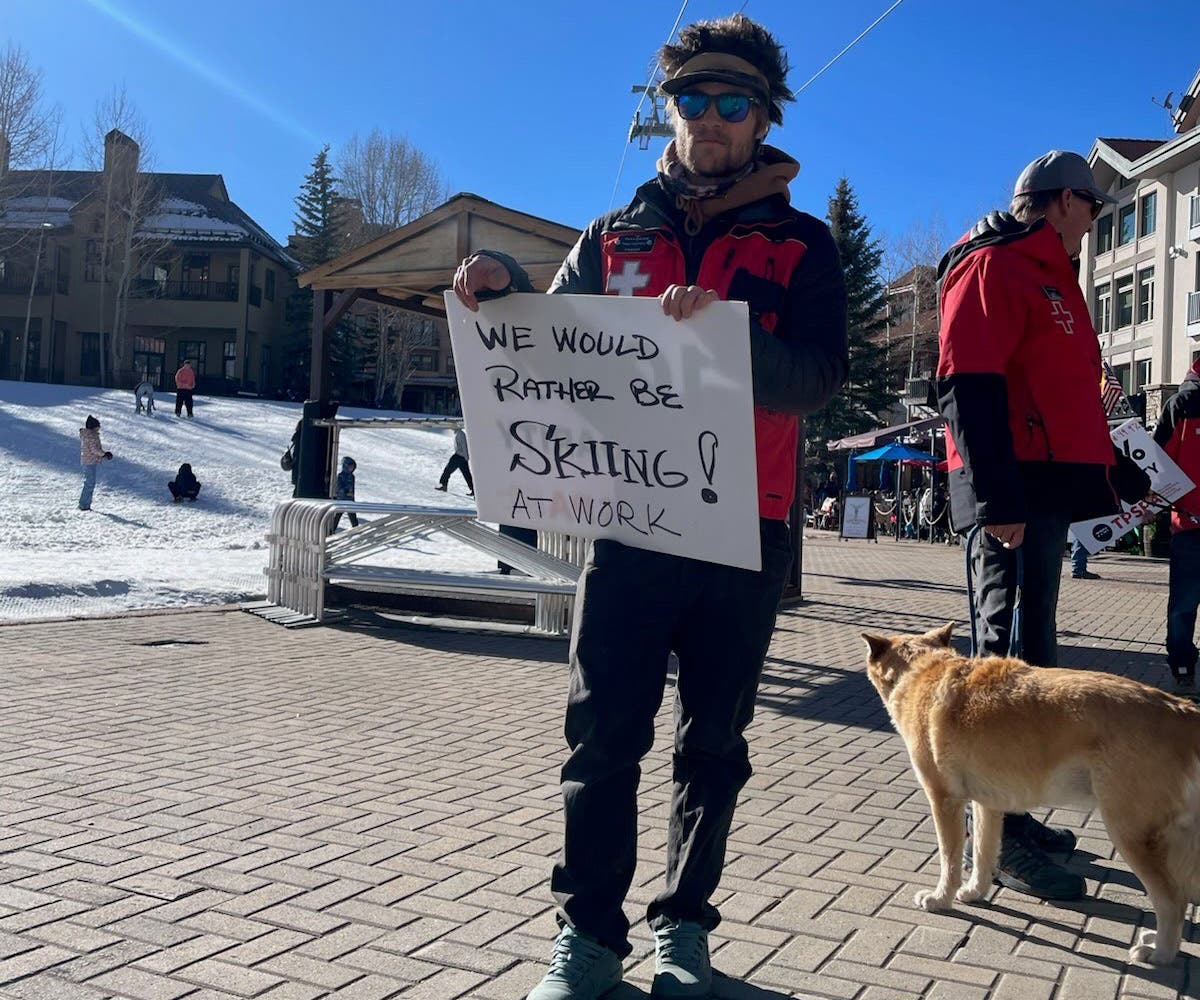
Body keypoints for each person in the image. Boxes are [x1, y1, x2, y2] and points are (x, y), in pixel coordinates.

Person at [454, 15, 848, 999]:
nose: (710, 119)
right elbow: (544, 351)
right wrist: (499, 294)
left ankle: (685, 930)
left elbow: (817, 379)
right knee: (602, 734)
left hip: (745, 525)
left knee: (713, 743)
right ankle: (587, 941)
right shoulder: (612, 236)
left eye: (733, 103)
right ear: (667, 111)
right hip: (627, 521)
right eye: (692, 101)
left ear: (763, 118)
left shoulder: (803, 245)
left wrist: (727, 335)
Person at [936, 149, 1148, 903]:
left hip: (1040, 489)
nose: (1097, 221)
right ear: (1061, 202)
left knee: (1034, 665)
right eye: (1094, 207)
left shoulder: (1053, 276)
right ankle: (998, 842)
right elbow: (968, 382)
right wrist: (998, 500)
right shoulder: (997, 265)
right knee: (1002, 673)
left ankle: (1016, 818)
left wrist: (1108, 470)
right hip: (1013, 497)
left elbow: (1057, 395)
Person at [1153, 356, 1200, 696]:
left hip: (1187, 522)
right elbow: (1156, 461)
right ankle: (1182, 667)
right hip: (1189, 524)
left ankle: (1183, 667)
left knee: (1183, 604)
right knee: (1183, 603)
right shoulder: (1181, 404)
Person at [78, 414, 112, 511]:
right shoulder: (92, 436)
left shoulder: (87, 435)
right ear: (94, 427)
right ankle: (84, 504)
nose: (99, 429)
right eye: (97, 427)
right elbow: (94, 450)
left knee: (89, 483)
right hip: (89, 462)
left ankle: (85, 504)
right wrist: (104, 454)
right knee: (89, 483)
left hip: (87, 461)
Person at [435, 426, 473, 495]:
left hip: (459, 456)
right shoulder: (457, 433)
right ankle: (474, 490)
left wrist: (466, 457)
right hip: (462, 456)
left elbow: (464, 445)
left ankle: (443, 485)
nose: (450, 427)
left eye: (451, 425)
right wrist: (465, 457)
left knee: (447, 470)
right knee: (466, 474)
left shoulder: (460, 434)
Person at [331, 455, 359, 530]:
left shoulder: (352, 476)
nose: (351, 468)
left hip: (350, 500)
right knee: (337, 516)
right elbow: (338, 487)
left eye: (352, 467)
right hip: (342, 499)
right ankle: (331, 530)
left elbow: (352, 488)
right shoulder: (341, 476)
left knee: (353, 517)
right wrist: (344, 491)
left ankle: (356, 529)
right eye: (350, 466)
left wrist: (352, 497)